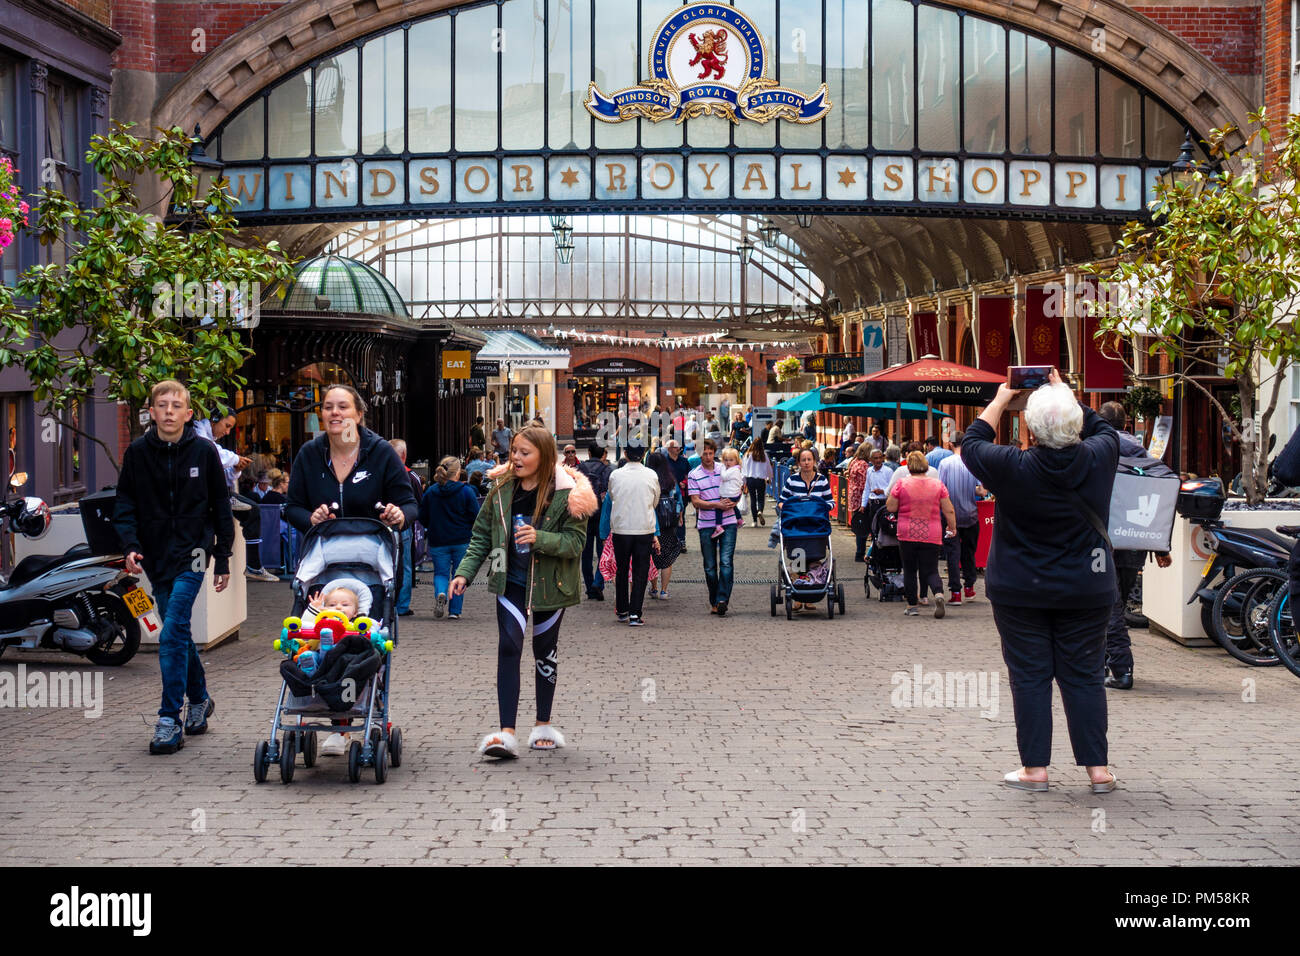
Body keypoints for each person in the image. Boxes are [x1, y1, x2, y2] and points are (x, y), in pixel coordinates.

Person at [962, 369, 1121, 794]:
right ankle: (1098, 770)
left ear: (1029, 429)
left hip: (1020, 589)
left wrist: (1002, 397)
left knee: (1030, 677)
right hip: (1087, 587)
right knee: (1085, 675)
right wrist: (1063, 392)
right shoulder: (1101, 454)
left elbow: (972, 441)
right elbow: (1101, 424)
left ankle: (1035, 770)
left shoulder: (1010, 466)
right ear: (1075, 423)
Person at [284, 384, 417, 754]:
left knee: (361, 647)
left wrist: (398, 515)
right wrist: (308, 517)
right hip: (325, 571)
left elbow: (409, 503)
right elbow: (291, 506)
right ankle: (331, 720)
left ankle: (356, 720)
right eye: (328, 407)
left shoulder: (381, 455)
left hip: (373, 571)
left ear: (359, 414)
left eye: (343, 407)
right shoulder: (310, 455)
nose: (335, 413)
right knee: (319, 642)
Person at [451, 426, 597, 758]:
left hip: (552, 585)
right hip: (510, 579)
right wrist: (464, 573)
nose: (515, 457)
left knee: (545, 650)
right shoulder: (500, 487)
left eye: (524, 453)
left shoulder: (570, 493)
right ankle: (506, 733)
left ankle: (543, 724)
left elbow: (575, 544)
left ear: (544, 457)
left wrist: (539, 538)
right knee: (509, 646)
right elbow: (481, 535)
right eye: (513, 451)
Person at [113, 380, 234, 755]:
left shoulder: (203, 451)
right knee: (177, 630)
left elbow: (221, 505)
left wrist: (223, 556)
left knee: (171, 632)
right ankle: (199, 697)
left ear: (188, 413)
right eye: (161, 405)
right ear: (150, 411)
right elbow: (125, 505)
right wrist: (130, 546)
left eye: (175, 405)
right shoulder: (136, 454)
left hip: (195, 553)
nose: (168, 411)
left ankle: (169, 718)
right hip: (155, 555)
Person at [1096, 402, 1173, 689]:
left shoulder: (1097, 450)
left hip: (1103, 543)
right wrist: (1161, 548)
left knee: (1109, 607)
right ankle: (1107, 662)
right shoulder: (1144, 457)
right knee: (1117, 602)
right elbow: (1154, 503)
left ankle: (1120, 667)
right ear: (1126, 426)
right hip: (1135, 543)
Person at [196, 413, 278, 583]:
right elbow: (211, 452)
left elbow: (224, 473)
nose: (227, 432)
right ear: (215, 420)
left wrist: (236, 468)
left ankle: (253, 565)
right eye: (227, 426)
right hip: (206, 496)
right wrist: (235, 459)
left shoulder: (209, 440)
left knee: (252, 511)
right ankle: (252, 565)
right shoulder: (199, 435)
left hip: (218, 493)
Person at [888, 450, 957, 618]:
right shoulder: (937, 485)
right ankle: (938, 593)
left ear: (909, 466)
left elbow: (890, 507)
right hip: (931, 533)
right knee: (931, 569)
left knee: (910, 570)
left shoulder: (901, 484)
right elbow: (949, 510)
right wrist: (952, 527)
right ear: (925, 466)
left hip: (907, 533)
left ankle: (912, 606)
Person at [605, 442, 661, 626]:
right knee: (640, 571)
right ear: (644, 453)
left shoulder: (616, 474)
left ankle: (622, 609)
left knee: (621, 569)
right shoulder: (651, 475)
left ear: (626, 454)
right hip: (644, 527)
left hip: (621, 527)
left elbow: (612, 496)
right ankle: (636, 613)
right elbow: (655, 500)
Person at [420, 455, 480, 621]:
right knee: (460, 574)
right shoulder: (466, 491)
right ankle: (455, 611)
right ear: (458, 473)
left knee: (441, 573)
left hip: (438, 539)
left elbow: (422, 515)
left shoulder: (431, 492)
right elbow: (476, 516)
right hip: (461, 539)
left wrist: (431, 526)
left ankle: (441, 592)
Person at [778, 447, 834, 610]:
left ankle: (809, 595)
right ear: (799, 463)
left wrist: (819, 507)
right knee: (798, 558)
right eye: (803, 460)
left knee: (813, 557)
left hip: (816, 527)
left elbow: (831, 502)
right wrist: (786, 508)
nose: (807, 463)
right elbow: (782, 500)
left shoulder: (822, 480)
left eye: (809, 459)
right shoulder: (792, 480)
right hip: (796, 527)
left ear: (814, 461)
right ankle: (798, 596)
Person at [688, 438, 738, 615]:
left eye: (710, 453)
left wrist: (735, 499)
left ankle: (722, 599)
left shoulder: (724, 469)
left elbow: (738, 485)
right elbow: (695, 502)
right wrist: (717, 505)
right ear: (699, 453)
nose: (708, 457)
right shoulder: (694, 474)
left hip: (729, 521)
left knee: (726, 562)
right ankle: (714, 600)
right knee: (710, 567)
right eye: (704, 453)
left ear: (714, 453)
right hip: (706, 524)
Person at [938, 432, 982, 606]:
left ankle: (956, 592)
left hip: (951, 517)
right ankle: (969, 588)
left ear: (950, 444)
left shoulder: (945, 464)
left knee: (952, 554)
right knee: (969, 553)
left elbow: (941, 490)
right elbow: (981, 491)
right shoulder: (973, 463)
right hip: (971, 515)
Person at [389, 438, 424, 617]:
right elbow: (418, 501)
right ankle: (402, 605)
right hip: (403, 527)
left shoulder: (378, 474)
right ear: (404, 455)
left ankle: (386, 604)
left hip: (381, 527)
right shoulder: (411, 476)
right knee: (405, 565)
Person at [646, 451, 684, 600]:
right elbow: (679, 501)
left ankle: (654, 588)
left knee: (652, 556)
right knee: (667, 557)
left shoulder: (649, 480)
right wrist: (679, 517)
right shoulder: (671, 480)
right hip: (669, 524)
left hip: (652, 523)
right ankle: (664, 590)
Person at [578, 444, 613, 600]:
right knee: (602, 552)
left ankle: (590, 586)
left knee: (585, 554)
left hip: (585, 515)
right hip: (601, 515)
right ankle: (598, 583)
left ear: (589, 452)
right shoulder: (607, 470)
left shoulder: (581, 468)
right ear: (602, 455)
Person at [846, 443, 874, 562]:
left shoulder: (854, 461)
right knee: (863, 526)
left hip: (853, 495)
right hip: (861, 497)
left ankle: (859, 552)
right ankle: (860, 553)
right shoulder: (864, 465)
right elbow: (864, 484)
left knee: (859, 525)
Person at [665, 439, 692, 553]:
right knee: (669, 518)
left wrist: (684, 483)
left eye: (678, 446)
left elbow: (689, 475)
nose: (678, 448)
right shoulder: (664, 461)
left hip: (682, 494)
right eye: (675, 447)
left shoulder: (684, 461)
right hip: (668, 495)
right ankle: (671, 542)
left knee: (681, 516)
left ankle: (681, 541)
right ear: (669, 449)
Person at [741, 440, 773, 526]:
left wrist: (743, 482)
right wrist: (769, 477)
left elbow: (744, 469)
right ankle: (760, 511)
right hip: (760, 479)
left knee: (753, 499)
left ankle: (754, 521)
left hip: (750, 479)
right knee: (761, 498)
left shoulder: (747, 455)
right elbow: (768, 468)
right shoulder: (764, 455)